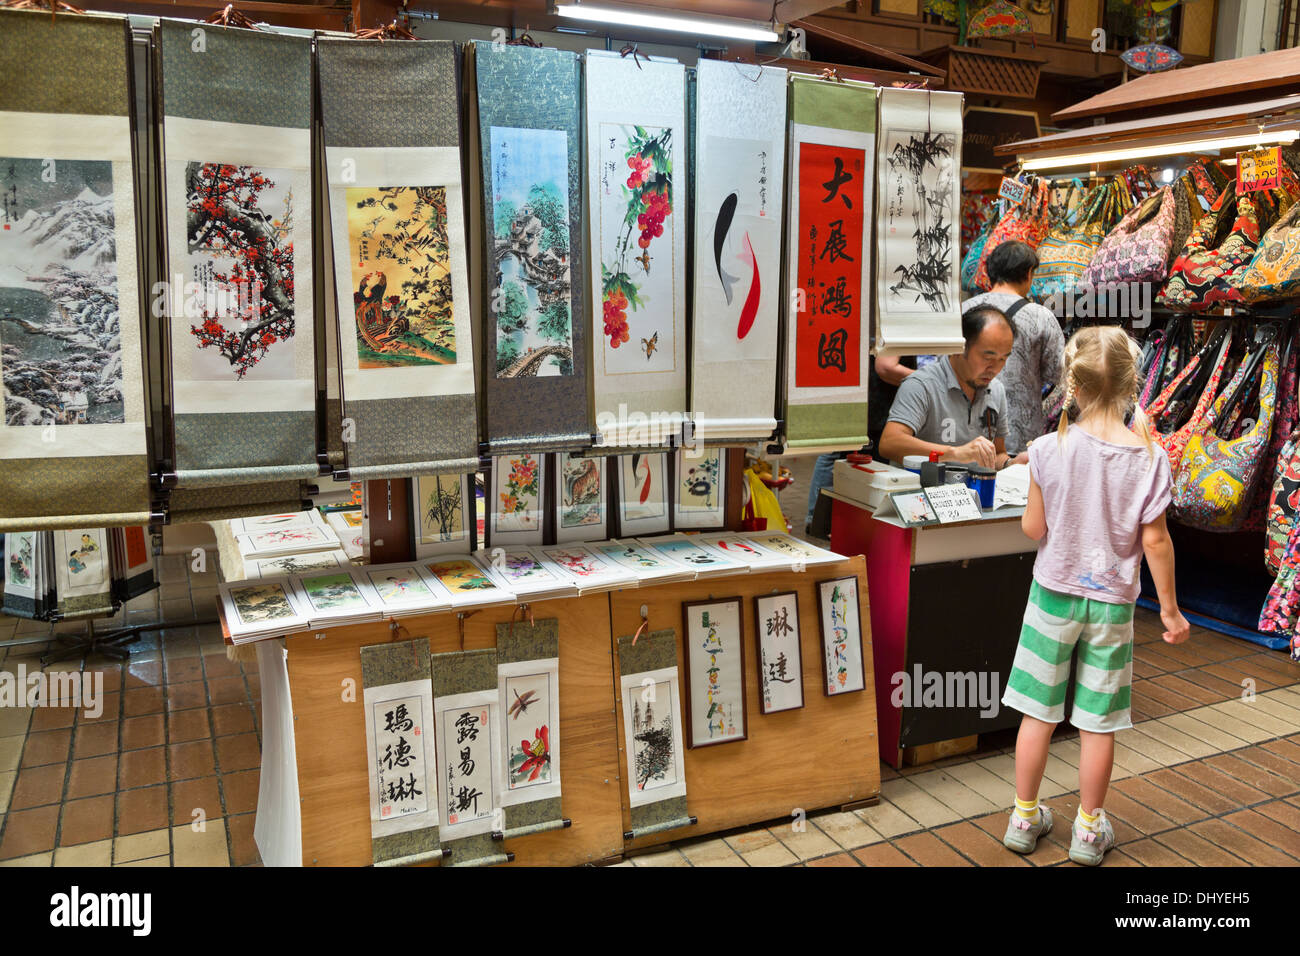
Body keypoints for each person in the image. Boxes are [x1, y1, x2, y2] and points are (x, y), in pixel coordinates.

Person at [999, 325, 1189, 866]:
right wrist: (1170, 611)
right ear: (1133, 386)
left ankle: (1023, 815)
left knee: (1037, 712)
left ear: (1072, 387)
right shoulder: (1151, 457)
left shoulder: (1045, 449)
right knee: (1097, 720)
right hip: (1112, 603)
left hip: (1052, 595)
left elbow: (1033, 529)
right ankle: (1087, 830)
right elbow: (1155, 540)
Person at [877, 306, 1025, 470]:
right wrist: (955, 453)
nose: (995, 369)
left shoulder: (996, 390)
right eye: (987, 357)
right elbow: (889, 443)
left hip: (972, 492)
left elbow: (996, 454)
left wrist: (1010, 463)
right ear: (959, 348)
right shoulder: (922, 385)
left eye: (1003, 359)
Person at [962, 240, 1064, 455]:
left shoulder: (964, 310)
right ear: (1028, 273)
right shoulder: (1041, 316)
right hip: (1017, 435)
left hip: (963, 432)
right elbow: (1058, 373)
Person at [804, 355, 916, 537]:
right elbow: (885, 367)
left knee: (840, 455)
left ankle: (824, 521)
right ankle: (820, 520)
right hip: (872, 398)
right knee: (840, 455)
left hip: (861, 393)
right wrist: (926, 379)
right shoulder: (891, 329)